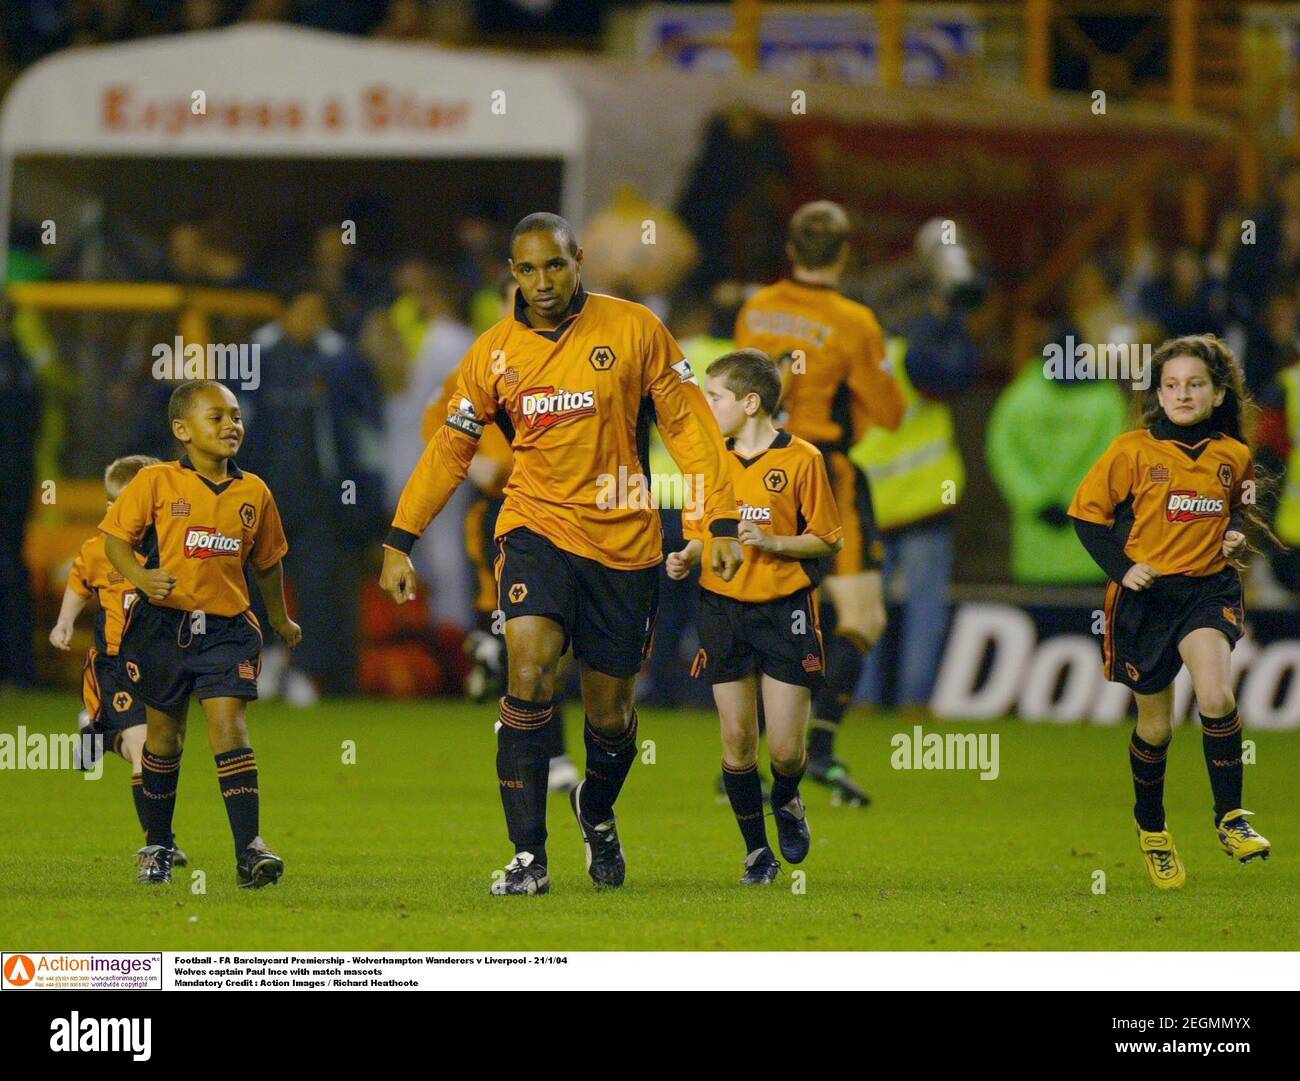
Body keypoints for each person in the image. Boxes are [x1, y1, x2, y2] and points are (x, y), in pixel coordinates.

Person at [380, 212, 742, 896]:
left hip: (625, 541)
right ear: (510, 274)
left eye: (555, 265)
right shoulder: (491, 353)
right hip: (535, 528)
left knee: (609, 712)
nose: (542, 282)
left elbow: (690, 427)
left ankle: (598, 814)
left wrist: (715, 520)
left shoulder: (635, 329)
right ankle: (527, 856)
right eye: (527, 269)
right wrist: (402, 537)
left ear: (578, 261)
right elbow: (451, 447)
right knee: (530, 664)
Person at [1068, 334, 1276, 890]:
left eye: (1195, 385)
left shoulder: (1234, 456)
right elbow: (1087, 517)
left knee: (1216, 695)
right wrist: (1122, 568)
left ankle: (1231, 818)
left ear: (1216, 394)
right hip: (1146, 600)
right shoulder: (1131, 451)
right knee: (1155, 726)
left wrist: (1234, 533)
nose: (1183, 394)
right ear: (1158, 394)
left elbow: (1243, 511)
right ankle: (1153, 829)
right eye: (1172, 385)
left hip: (1206, 592)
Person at [734, 201, 903, 804]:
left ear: (789, 251)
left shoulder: (756, 309)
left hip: (758, 470)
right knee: (860, 617)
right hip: (825, 473)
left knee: (761, 614)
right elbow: (890, 412)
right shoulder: (854, 321)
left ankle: (742, 767)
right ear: (845, 252)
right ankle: (823, 751)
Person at [100, 380, 301, 887]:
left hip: (227, 630)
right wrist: (143, 578)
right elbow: (115, 542)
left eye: (235, 415)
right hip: (162, 629)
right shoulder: (156, 483)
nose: (231, 424)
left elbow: (268, 563)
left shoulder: (254, 491)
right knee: (165, 739)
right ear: (182, 430)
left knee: (230, 728)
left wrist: (279, 617)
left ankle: (249, 850)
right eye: (216, 417)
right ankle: (158, 844)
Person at [668, 350, 842, 884]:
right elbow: (702, 534)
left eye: (714, 397)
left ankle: (788, 798)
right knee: (738, 738)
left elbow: (827, 540)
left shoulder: (803, 459)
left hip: (783, 609)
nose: (705, 405)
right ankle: (755, 854)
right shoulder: (707, 462)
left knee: (787, 750)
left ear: (750, 402)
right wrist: (687, 555)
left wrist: (772, 542)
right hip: (721, 608)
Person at [49, 454, 189, 866]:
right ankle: (159, 843)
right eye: (115, 503)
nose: (120, 511)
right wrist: (63, 623)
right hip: (114, 665)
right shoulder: (98, 550)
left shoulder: (169, 549)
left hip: (159, 664)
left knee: (157, 750)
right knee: (144, 746)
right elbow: (79, 583)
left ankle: (98, 734)